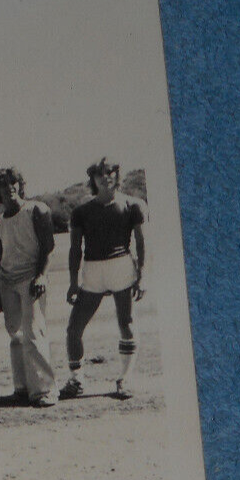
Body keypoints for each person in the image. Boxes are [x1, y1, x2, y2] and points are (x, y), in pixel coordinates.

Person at [60, 158, 148, 400]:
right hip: (93, 271)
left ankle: (125, 379)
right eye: (100, 174)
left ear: (117, 176)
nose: (106, 177)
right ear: (93, 179)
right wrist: (72, 282)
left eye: (110, 172)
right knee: (74, 327)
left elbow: (141, 243)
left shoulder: (133, 205)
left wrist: (141, 276)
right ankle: (77, 379)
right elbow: (75, 249)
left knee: (126, 323)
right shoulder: (81, 211)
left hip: (122, 267)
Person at [0, 168, 58, 407]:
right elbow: (0, 255)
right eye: (3, 185)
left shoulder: (37, 210)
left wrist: (41, 276)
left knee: (34, 333)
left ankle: (45, 390)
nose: (9, 188)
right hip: (7, 282)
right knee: (15, 336)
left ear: (20, 185)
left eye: (13, 182)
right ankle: (22, 387)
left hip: (31, 279)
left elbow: (48, 246)